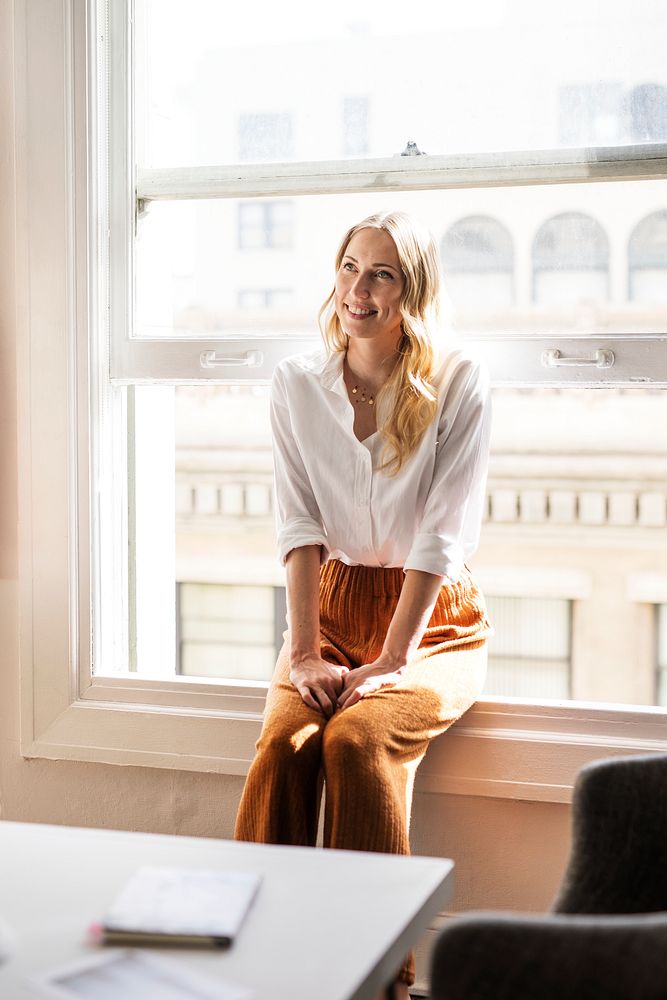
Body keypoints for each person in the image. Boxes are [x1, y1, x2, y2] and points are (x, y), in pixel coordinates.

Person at [234, 210, 493, 996]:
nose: (359, 289)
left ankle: (373, 982)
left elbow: (439, 541)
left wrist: (390, 658)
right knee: (286, 748)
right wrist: (305, 649)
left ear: (410, 291)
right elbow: (299, 526)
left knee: (356, 741)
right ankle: (256, 965)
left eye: (381, 273)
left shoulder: (457, 381)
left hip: (432, 620)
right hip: (329, 607)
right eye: (350, 267)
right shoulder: (294, 386)